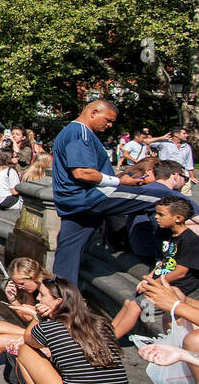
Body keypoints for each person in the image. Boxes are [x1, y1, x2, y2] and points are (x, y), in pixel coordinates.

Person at [15, 277, 143, 384]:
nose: (38, 298)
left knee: (26, 351)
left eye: (42, 295)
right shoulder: (100, 324)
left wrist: (38, 317)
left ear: (58, 301)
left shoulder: (50, 328)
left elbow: (28, 338)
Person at [51, 100, 157, 282]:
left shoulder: (71, 132)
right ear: (93, 112)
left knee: (67, 252)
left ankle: (60, 296)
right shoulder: (80, 133)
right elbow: (81, 172)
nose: (109, 126)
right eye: (108, 120)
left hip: (72, 201)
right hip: (90, 197)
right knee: (160, 199)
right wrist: (119, 180)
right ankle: (162, 258)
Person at [109, 195, 198, 338]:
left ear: (178, 218)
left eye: (161, 214)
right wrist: (148, 278)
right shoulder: (169, 235)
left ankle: (107, 344)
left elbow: (180, 272)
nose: (156, 217)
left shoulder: (189, 241)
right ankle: (107, 336)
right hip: (157, 285)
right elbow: (165, 260)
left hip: (173, 289)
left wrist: (151, 283)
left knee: (135, 306)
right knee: (128, 302)